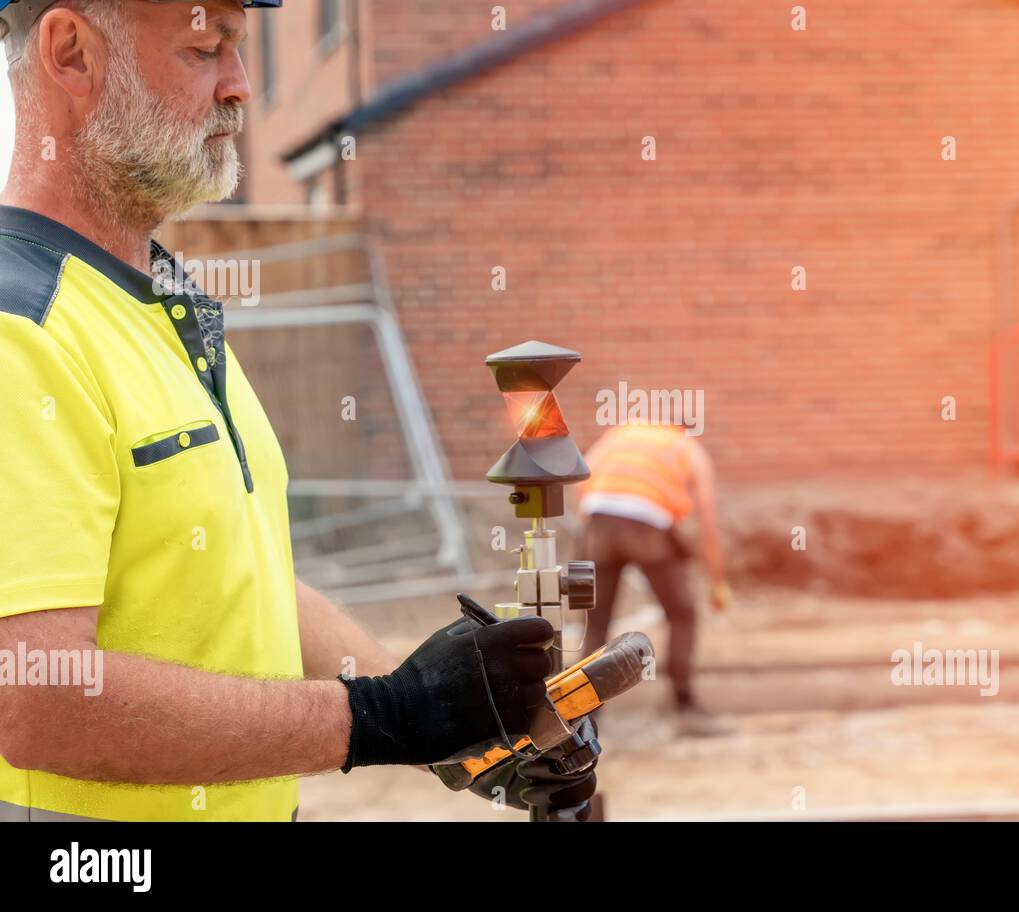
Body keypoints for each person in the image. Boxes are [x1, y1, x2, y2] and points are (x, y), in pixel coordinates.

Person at [0, 0, 593, 821]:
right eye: (206, 48)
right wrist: (381, 720)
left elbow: (245, 579)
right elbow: (35, 701)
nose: (241, 86)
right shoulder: (20, 328)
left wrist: (459, 730)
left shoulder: (158, 304)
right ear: (72, 53)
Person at [576, 422, 732, 736]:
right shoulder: (688, 448)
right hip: (646, 526)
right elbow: (707, 519)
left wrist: (587, 533)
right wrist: (717, 582)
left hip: (598, 520)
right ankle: (685, 704)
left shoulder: (620, 435)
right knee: (682, 614)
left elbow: (580, 477)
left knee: (596, 622)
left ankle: (584, 715)